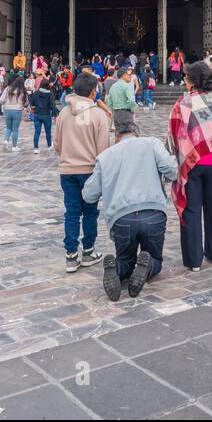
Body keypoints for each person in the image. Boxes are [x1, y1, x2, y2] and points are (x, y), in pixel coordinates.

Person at [82, 121, 178, 301]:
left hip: (122, 218)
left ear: (116, 138)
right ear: (137, 134)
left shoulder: (106, 156)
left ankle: (116, 269)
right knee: (156, 258)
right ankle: (148, 266)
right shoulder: (151, 143)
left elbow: (89, 195)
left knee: (125, 260)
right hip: (153, 213)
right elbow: (172, 171)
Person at [167, 62, 212, 271]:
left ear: (193, 80)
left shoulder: (184, 103)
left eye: (186, 78)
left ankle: (194, 260)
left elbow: (174, 134)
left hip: (192, 162)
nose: (184, 81)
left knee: (191, 209)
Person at [53, 72, 111, 273]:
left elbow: (56, 144)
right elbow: (103, 149)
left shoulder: (63, 113)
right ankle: (88, 250)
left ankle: (71, 255)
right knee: (90, 212)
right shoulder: (98, 115)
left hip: (67, 170)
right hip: (90, 170)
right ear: (94, 91)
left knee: (71, 212)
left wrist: (67, 157)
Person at [106, 67, 137, 133]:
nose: (131, 76)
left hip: (116, 114)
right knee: (129, 134)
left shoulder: (113, 86)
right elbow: (131, 101)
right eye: (129, 74)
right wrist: (133, 110)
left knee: (118, 134)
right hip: (126, 113)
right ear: (123, 75)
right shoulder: (126, 86)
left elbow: (109, 102)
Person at [29, 77, 56, 154]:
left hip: (37, 115)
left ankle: (36, 148)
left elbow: (32, 104)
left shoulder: (35, 93)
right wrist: (55, 114)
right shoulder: (50, 94)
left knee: (37, 132)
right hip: (47, 115)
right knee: (48, 131)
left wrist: (33, 109)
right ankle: (49, 145)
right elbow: (52, 105)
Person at [0, 74, 26, 150]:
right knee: (15, 129)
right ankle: (14, 146)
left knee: (8, 127)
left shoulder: (7, 89)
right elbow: (26, 102)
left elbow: (1, 100)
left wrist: (6, 103)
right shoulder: (21, 90)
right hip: (17, 111)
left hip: (7, 110)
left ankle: (6, 140)